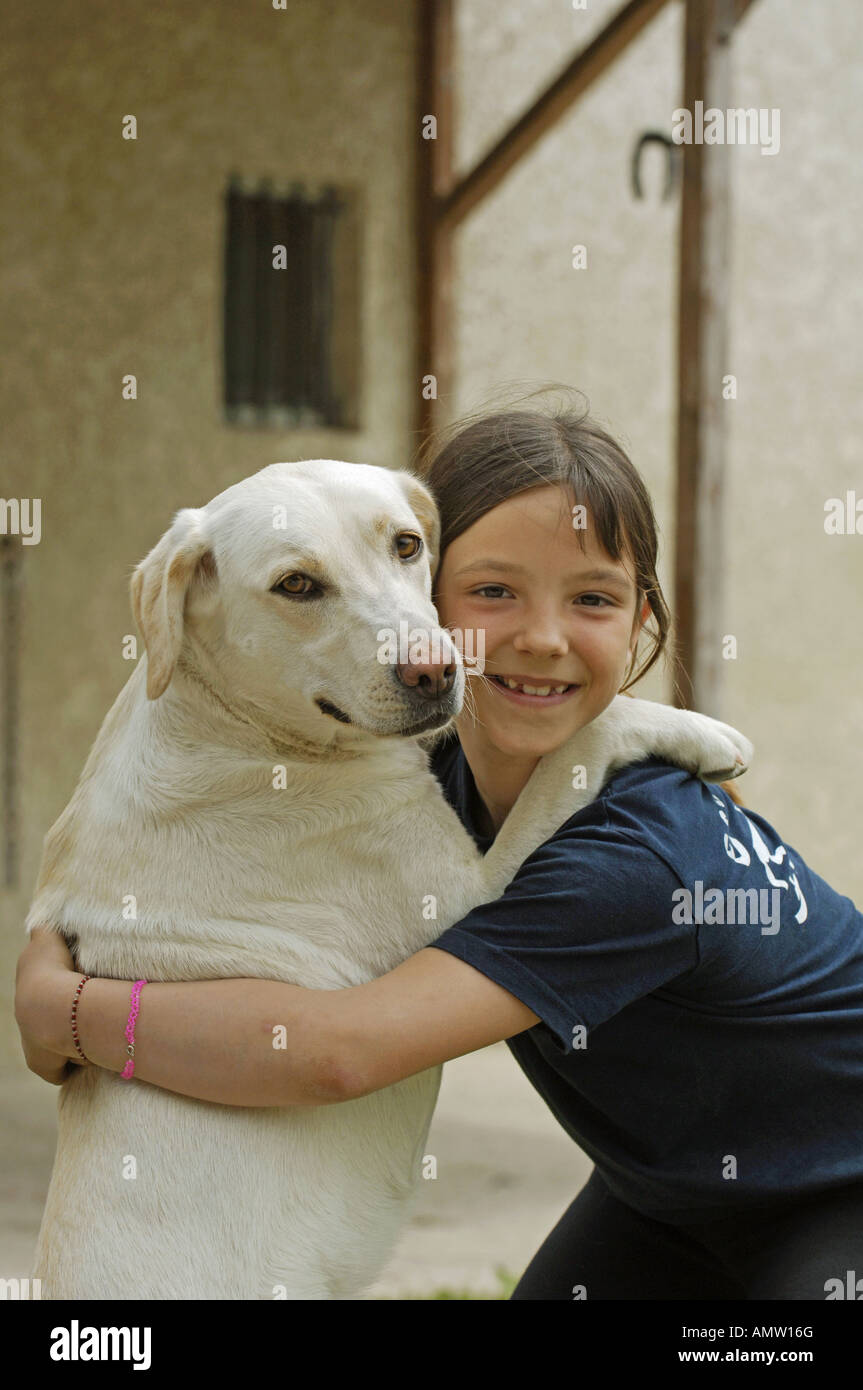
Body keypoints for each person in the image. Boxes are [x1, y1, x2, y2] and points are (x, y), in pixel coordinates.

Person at [15, 388, 863, 1301]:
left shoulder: (637, 854)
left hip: (834, 1190)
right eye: (493, 591)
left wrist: (64, 1010)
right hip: (665, 1196)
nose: (537, 638)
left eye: (591, 599)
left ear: (641, 620)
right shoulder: (421, 761)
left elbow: (340, 1052)